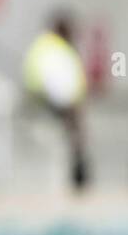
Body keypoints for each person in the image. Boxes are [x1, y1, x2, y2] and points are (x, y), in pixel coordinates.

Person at [22, 13, 89, 191]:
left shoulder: (47, 46)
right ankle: (78, 174)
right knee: (75, 136)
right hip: (52, 105)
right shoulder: (54, 49)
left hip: (50, 102)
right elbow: (58, 85)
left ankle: (78, 173)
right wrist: (72, 106)